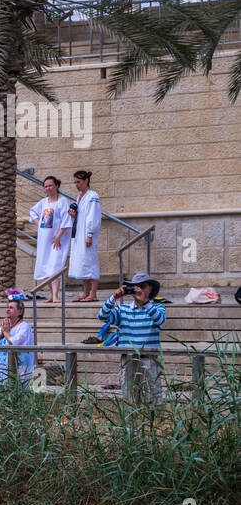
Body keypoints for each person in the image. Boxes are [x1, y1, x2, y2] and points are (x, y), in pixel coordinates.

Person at [98, 272, 167, 403]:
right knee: (129, 394)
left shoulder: (158, 307)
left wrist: (145, 302)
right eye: (136, 286)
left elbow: (159, 319)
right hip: (128, 357)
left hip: (149, 357)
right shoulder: (123, 309)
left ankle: (154, 418)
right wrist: (113, 297)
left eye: (143, 286)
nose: (139, 289)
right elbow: (102, 316)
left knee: (153, 392)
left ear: (150, 288)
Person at [30, 175, 74, 302]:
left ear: (57, 186)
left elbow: (66, 222)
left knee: (55, 265)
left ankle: (55, 295)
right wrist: (39, 224)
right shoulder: (43, 202)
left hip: (57, 240)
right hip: (44, 240)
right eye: (46, 186)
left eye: (50, 185)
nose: (48, 188)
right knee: (46, 266)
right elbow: (32, 212)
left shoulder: (63, 201)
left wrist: (58, 237)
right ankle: (51, 295)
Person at [70, 170, 102, 302]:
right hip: (79, 233)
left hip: (87, 234)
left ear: (86, 181)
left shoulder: (92, 196)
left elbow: (93, 217)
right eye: (75, 182)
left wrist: (89, 234)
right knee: (83, 263)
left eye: (79, 182)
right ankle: (85, 293)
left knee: (91, 262)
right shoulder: (79, 197)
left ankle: (93, 294)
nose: (76, 185)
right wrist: (74, 215)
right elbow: (82, 215)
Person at [0, 299, 35, 387]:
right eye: (7, 307)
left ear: (20, 311)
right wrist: (2, 332)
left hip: (18, 369)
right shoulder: (5, 326)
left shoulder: (24, 327)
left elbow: (14, 343)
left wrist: (5, 332)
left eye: (11, 308)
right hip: (1, 368)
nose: (7, 310)